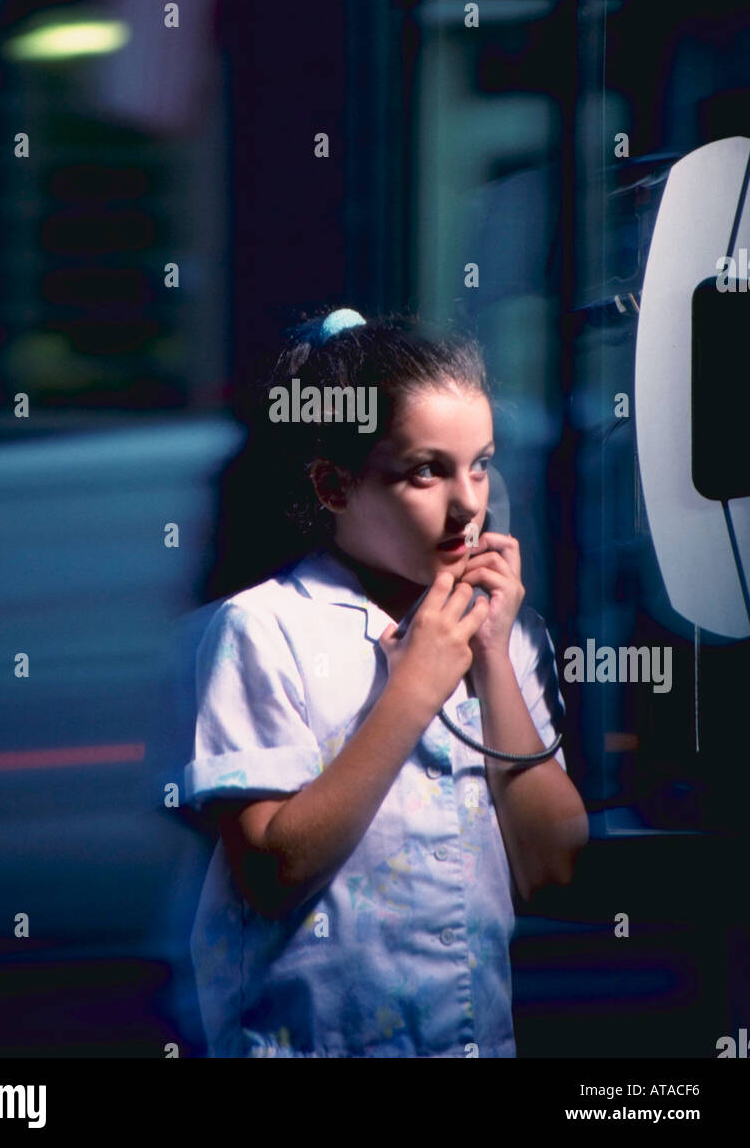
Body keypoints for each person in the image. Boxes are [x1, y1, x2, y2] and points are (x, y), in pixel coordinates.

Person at [183, 309, 589, 1058]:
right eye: (425, 471)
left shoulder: (505, 629)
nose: (467, 503)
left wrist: (493, 657)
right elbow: (273, 871)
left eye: (480, 463)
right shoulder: (263, 628)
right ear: (334, 487)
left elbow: (554, 870)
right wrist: (412, 690)